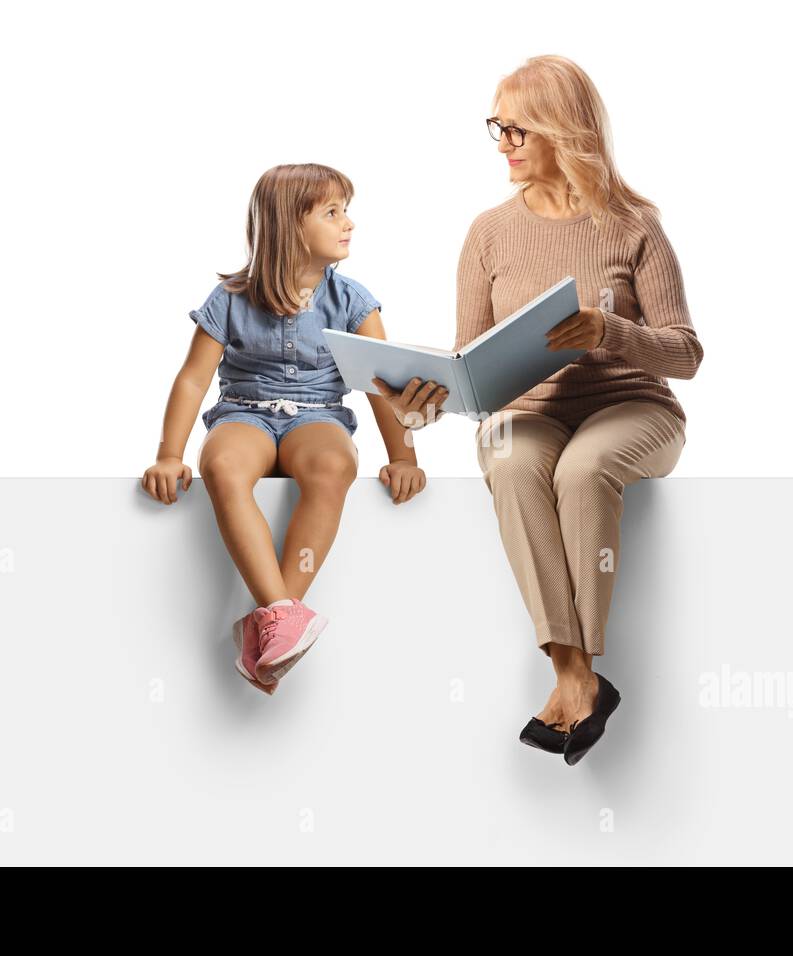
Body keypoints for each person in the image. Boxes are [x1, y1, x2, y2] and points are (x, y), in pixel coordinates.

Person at [374, 57, 703, 764]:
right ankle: (573, 673)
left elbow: (686, 354)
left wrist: (608, 331)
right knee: (512, 459)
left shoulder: (633, 227)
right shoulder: (488, 233)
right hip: (528, 413)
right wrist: (420, 406)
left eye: (517, 128)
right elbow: (470, 365)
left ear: (564, 129)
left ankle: (577, 678)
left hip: (632, 406)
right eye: (498, 128)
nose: (503, 143)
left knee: (584, 471)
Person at [142, 163, 429, 694]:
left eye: (346, 210)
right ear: (290, 226)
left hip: (318, 414)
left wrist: (404, 458)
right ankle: (281, 615)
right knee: (223, 465)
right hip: (243, 411)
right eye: (333, 212)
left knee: (334, 465)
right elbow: (192, 380)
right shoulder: (230, 297)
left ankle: (274, 626)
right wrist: (169, 453)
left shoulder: (353, 301)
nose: (349, 223)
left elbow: (380, 385)